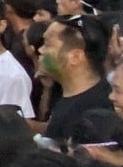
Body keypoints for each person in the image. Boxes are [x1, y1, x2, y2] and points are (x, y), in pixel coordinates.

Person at [35, 16, 112, 146]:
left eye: (47, 44)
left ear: (75, 57)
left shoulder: (94, 112)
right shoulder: (68, 95)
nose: (40, 50)